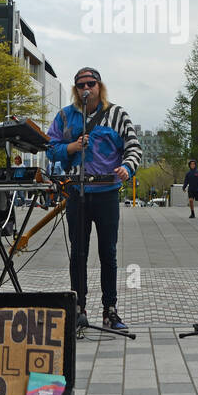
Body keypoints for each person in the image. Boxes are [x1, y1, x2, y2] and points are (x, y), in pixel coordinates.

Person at [45, 67, 141, 331]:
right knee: (78, 253)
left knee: (108, 253)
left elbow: (133, 147)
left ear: (100, 86)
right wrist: (72, 147)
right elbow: (50, 148)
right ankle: (78, 309)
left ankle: (110, 310)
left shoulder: (117, 114)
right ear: (76, 89)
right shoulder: (66, 116)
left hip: (107, 192)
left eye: (91, 84)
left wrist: (127, 167)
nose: (86, 88)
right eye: (80, 85)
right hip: (77, 192)